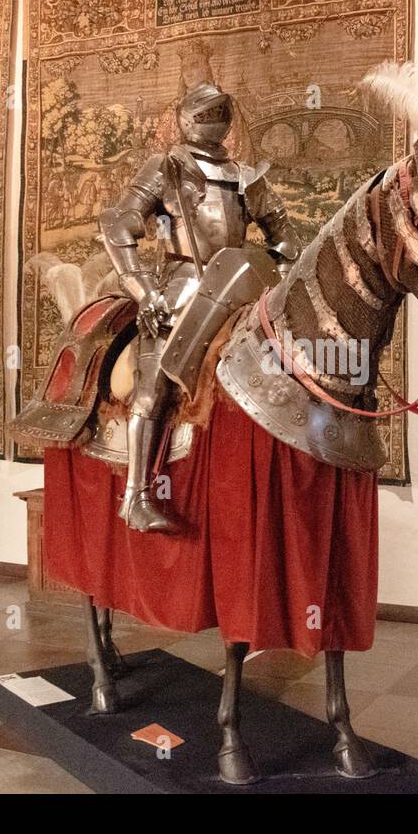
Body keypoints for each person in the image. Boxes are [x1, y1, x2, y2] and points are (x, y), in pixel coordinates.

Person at [99, 82, 300, 532]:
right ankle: (136, 496)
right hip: (179, 290)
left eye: (219, 113)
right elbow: (119, 225)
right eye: (206, 113)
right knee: (155, 389)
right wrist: (146, 292)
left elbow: (284, 238)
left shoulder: (247, 177)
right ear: (188, 118)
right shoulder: (166, 169)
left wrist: (281, 281)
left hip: (240, 288)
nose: (214, 120)